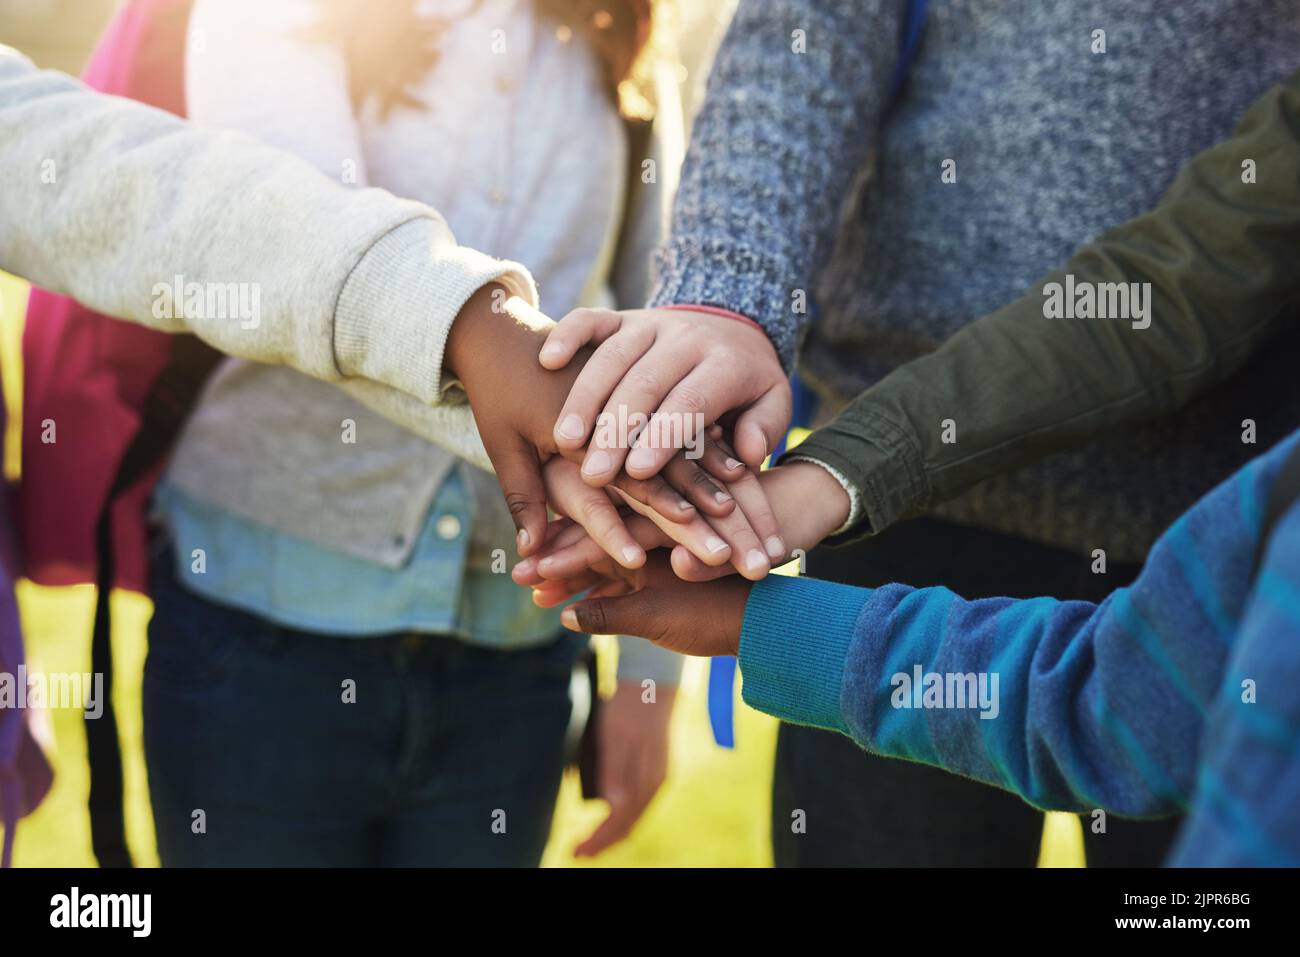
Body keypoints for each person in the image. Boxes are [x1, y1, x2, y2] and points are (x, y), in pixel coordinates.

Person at [536, 0, 1300, 866]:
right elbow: (809, 29)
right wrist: (728, 304)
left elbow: (1208, 262)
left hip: (1227, 536)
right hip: (891, 520)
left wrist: (835, 472)